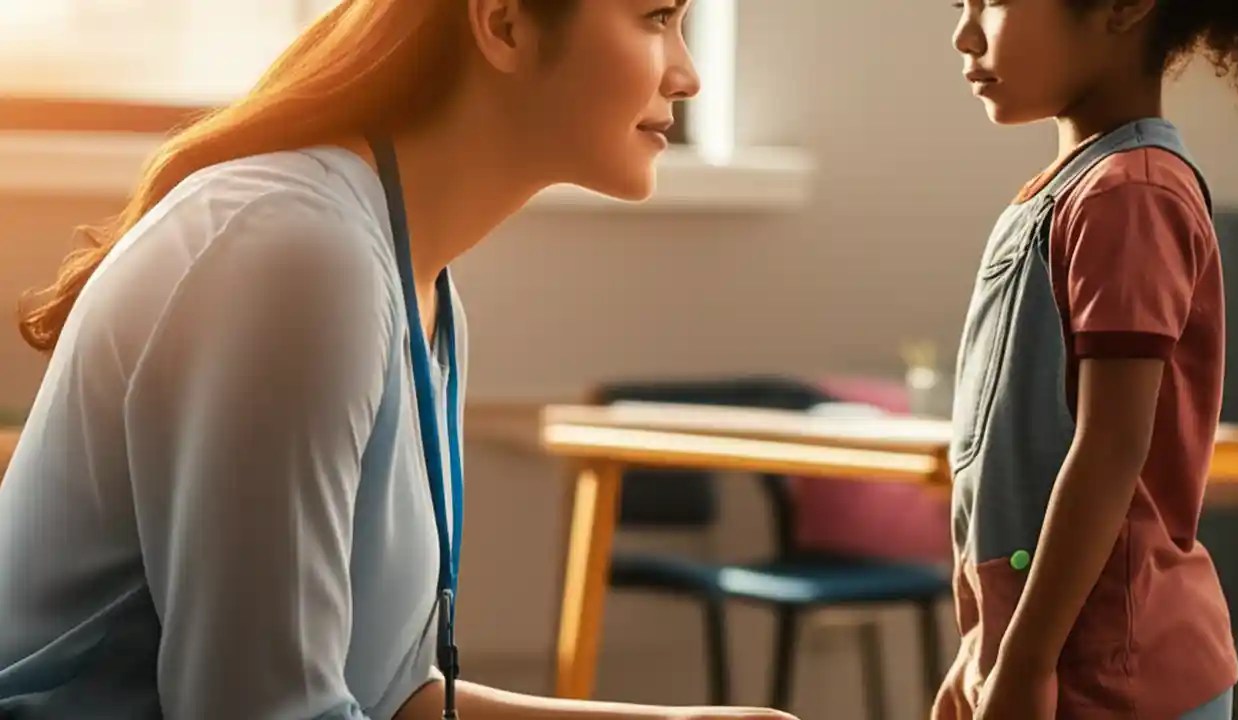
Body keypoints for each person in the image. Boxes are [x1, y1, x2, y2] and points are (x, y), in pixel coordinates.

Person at [0, 1, 800, 719]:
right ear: (505, 24)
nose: (688, 75)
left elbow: (388, 696)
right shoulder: (301, 255)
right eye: (656, 17)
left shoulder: (417, 285)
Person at [933, 0, 1238, 718]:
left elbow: (1110, 448)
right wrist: (986, 650)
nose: (964, 34)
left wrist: (1026, 660)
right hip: (1052, 655)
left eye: (991, 3)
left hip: (1120, 676)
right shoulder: (1073, 191)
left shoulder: (1131, 193)